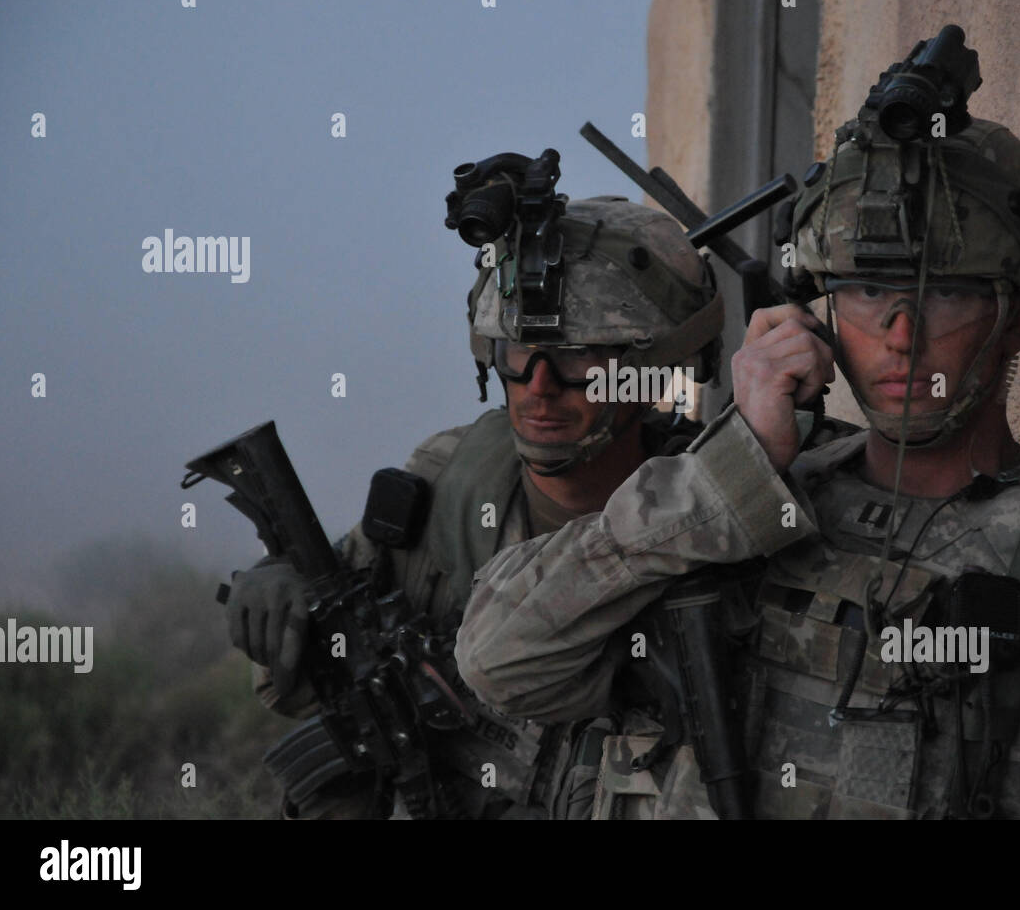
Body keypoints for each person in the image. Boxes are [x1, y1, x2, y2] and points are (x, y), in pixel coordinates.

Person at [456, 108, 1020, 819]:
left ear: (1018, 314)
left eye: (946, 294)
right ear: (820, 313)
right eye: (870, 292)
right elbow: (498, 659)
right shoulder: (739, 501)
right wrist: (728, 477)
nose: (901, 336)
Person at [225, 189, 723, 819]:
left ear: (650, 366)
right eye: (519, 351)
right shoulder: (449, 484)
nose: (539, 388)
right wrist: (283, 594)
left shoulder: (701, 522)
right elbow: (318, 675)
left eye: (576, 357)